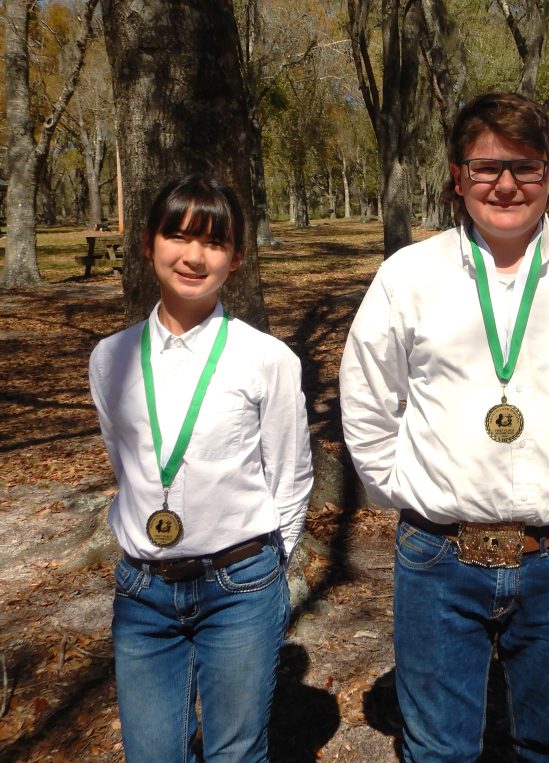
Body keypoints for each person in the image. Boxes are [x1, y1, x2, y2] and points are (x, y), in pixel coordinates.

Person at [339, 92, 549, 762]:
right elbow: (366, 397)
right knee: (439, 748)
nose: (505, 184)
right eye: (485, 167)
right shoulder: (409, 275)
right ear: (458, 177)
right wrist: (404, 491)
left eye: (524, 166)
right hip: (438, 558)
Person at [89, 175, 313, 762]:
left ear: (235, 259)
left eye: (214, 242)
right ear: (148, 244)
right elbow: (125, 463)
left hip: (239, 587)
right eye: (178, 236)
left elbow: (290, 477)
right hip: (142, 591)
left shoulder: (265, 358)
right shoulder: (110, 358)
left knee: (235, 753)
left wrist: (269, 570)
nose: (194, 256)